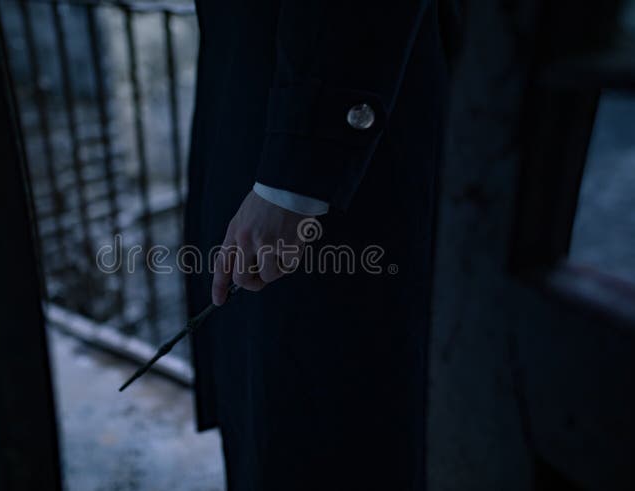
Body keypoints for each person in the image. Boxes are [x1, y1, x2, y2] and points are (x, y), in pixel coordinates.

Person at [183, 1, 448, 489]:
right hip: (257, 123)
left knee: (321, 425)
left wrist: (292, 180)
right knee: (266, 417)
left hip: (319, 159)